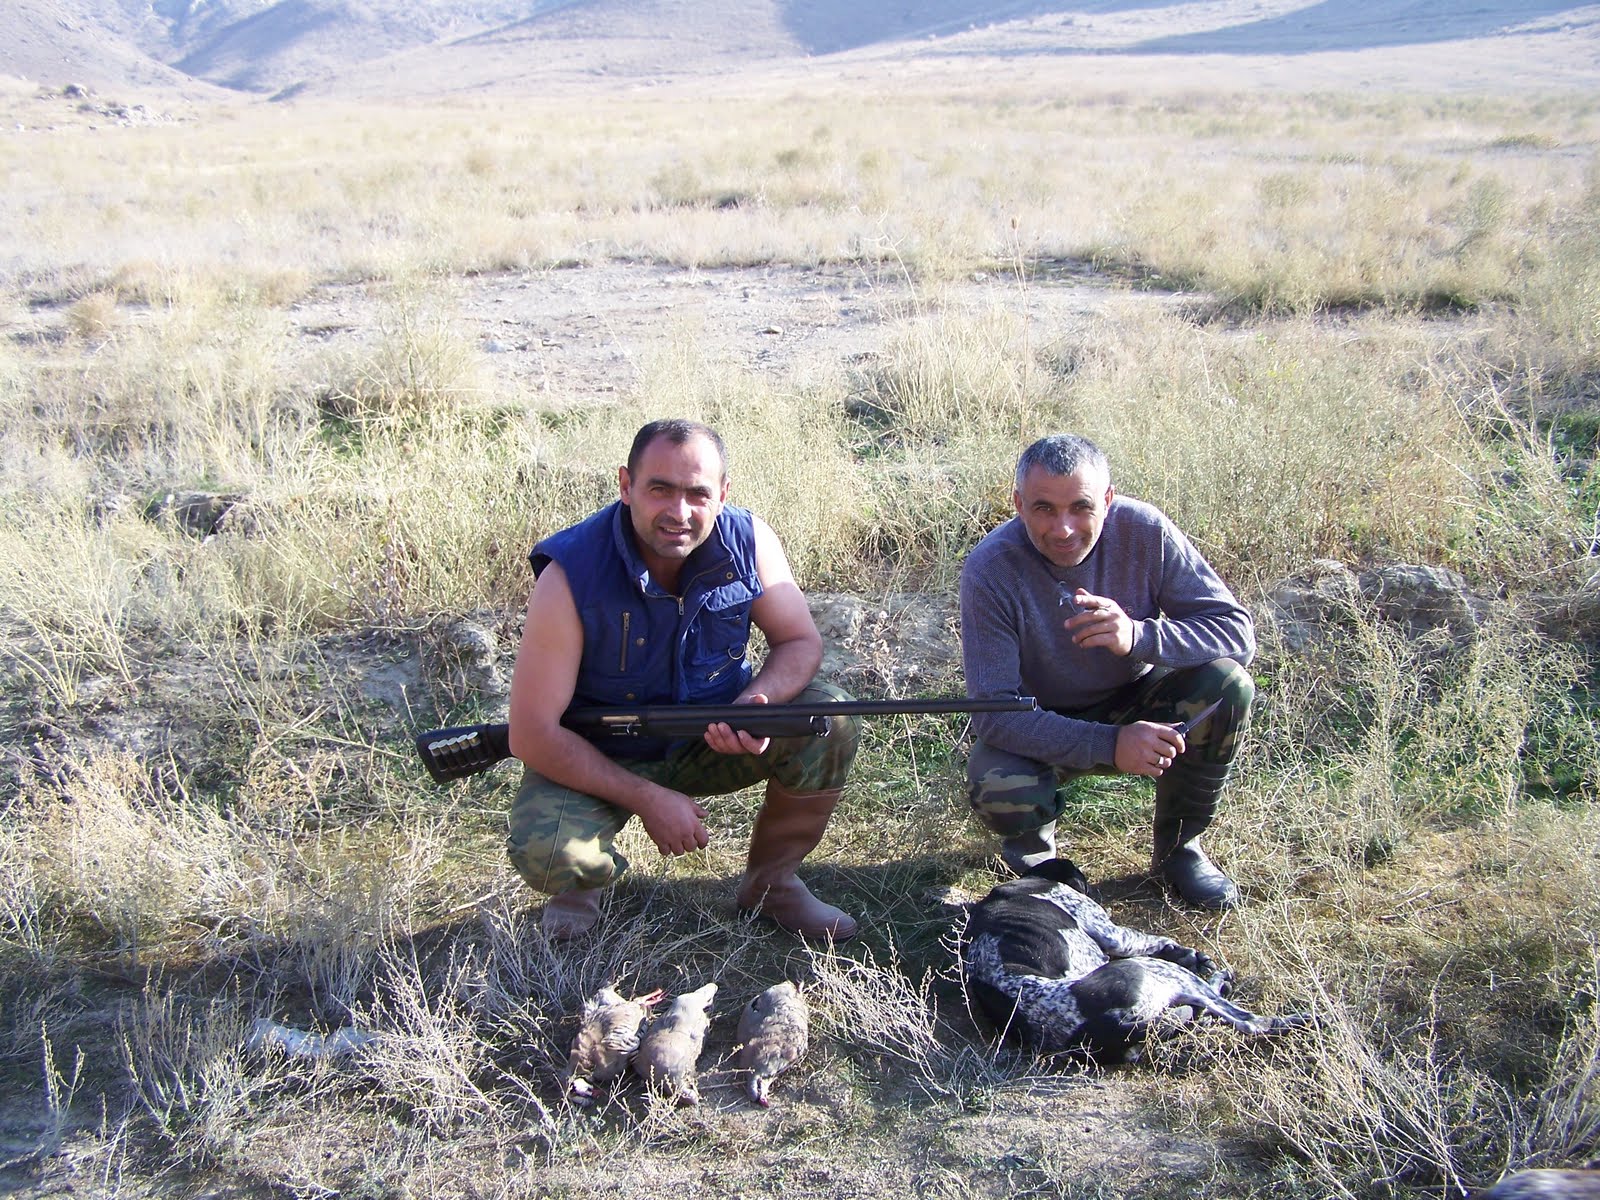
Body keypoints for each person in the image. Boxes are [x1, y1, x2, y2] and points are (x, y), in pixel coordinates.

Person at [504, 419, 859, 941]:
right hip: (604, 752)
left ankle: (771, 886)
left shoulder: (750, 540)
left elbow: (799, 642)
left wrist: (756, 702)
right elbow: (532, 734)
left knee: (828, 718)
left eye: (698, 494)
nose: (679, 512)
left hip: (711, 740)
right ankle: (580, 886)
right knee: (550, 852)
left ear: (723, 495)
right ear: (626, 486)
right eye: (659, 489)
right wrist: (649, 799)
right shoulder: (569, 575)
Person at [959, 434, 1256, 910]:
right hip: (1043, 717)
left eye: (1081, 506)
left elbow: (1236, 634)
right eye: (1043, 508)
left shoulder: (1145, 531)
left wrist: (1139, 637)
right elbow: (994, 714)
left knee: (1227, 683)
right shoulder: (991, 569)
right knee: (998, 779)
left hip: (1138, 695)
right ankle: (1036, 865)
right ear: (1017, 504)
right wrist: (1111, 746)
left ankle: (1181, 849)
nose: (1063, 528)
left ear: (1109, 500)